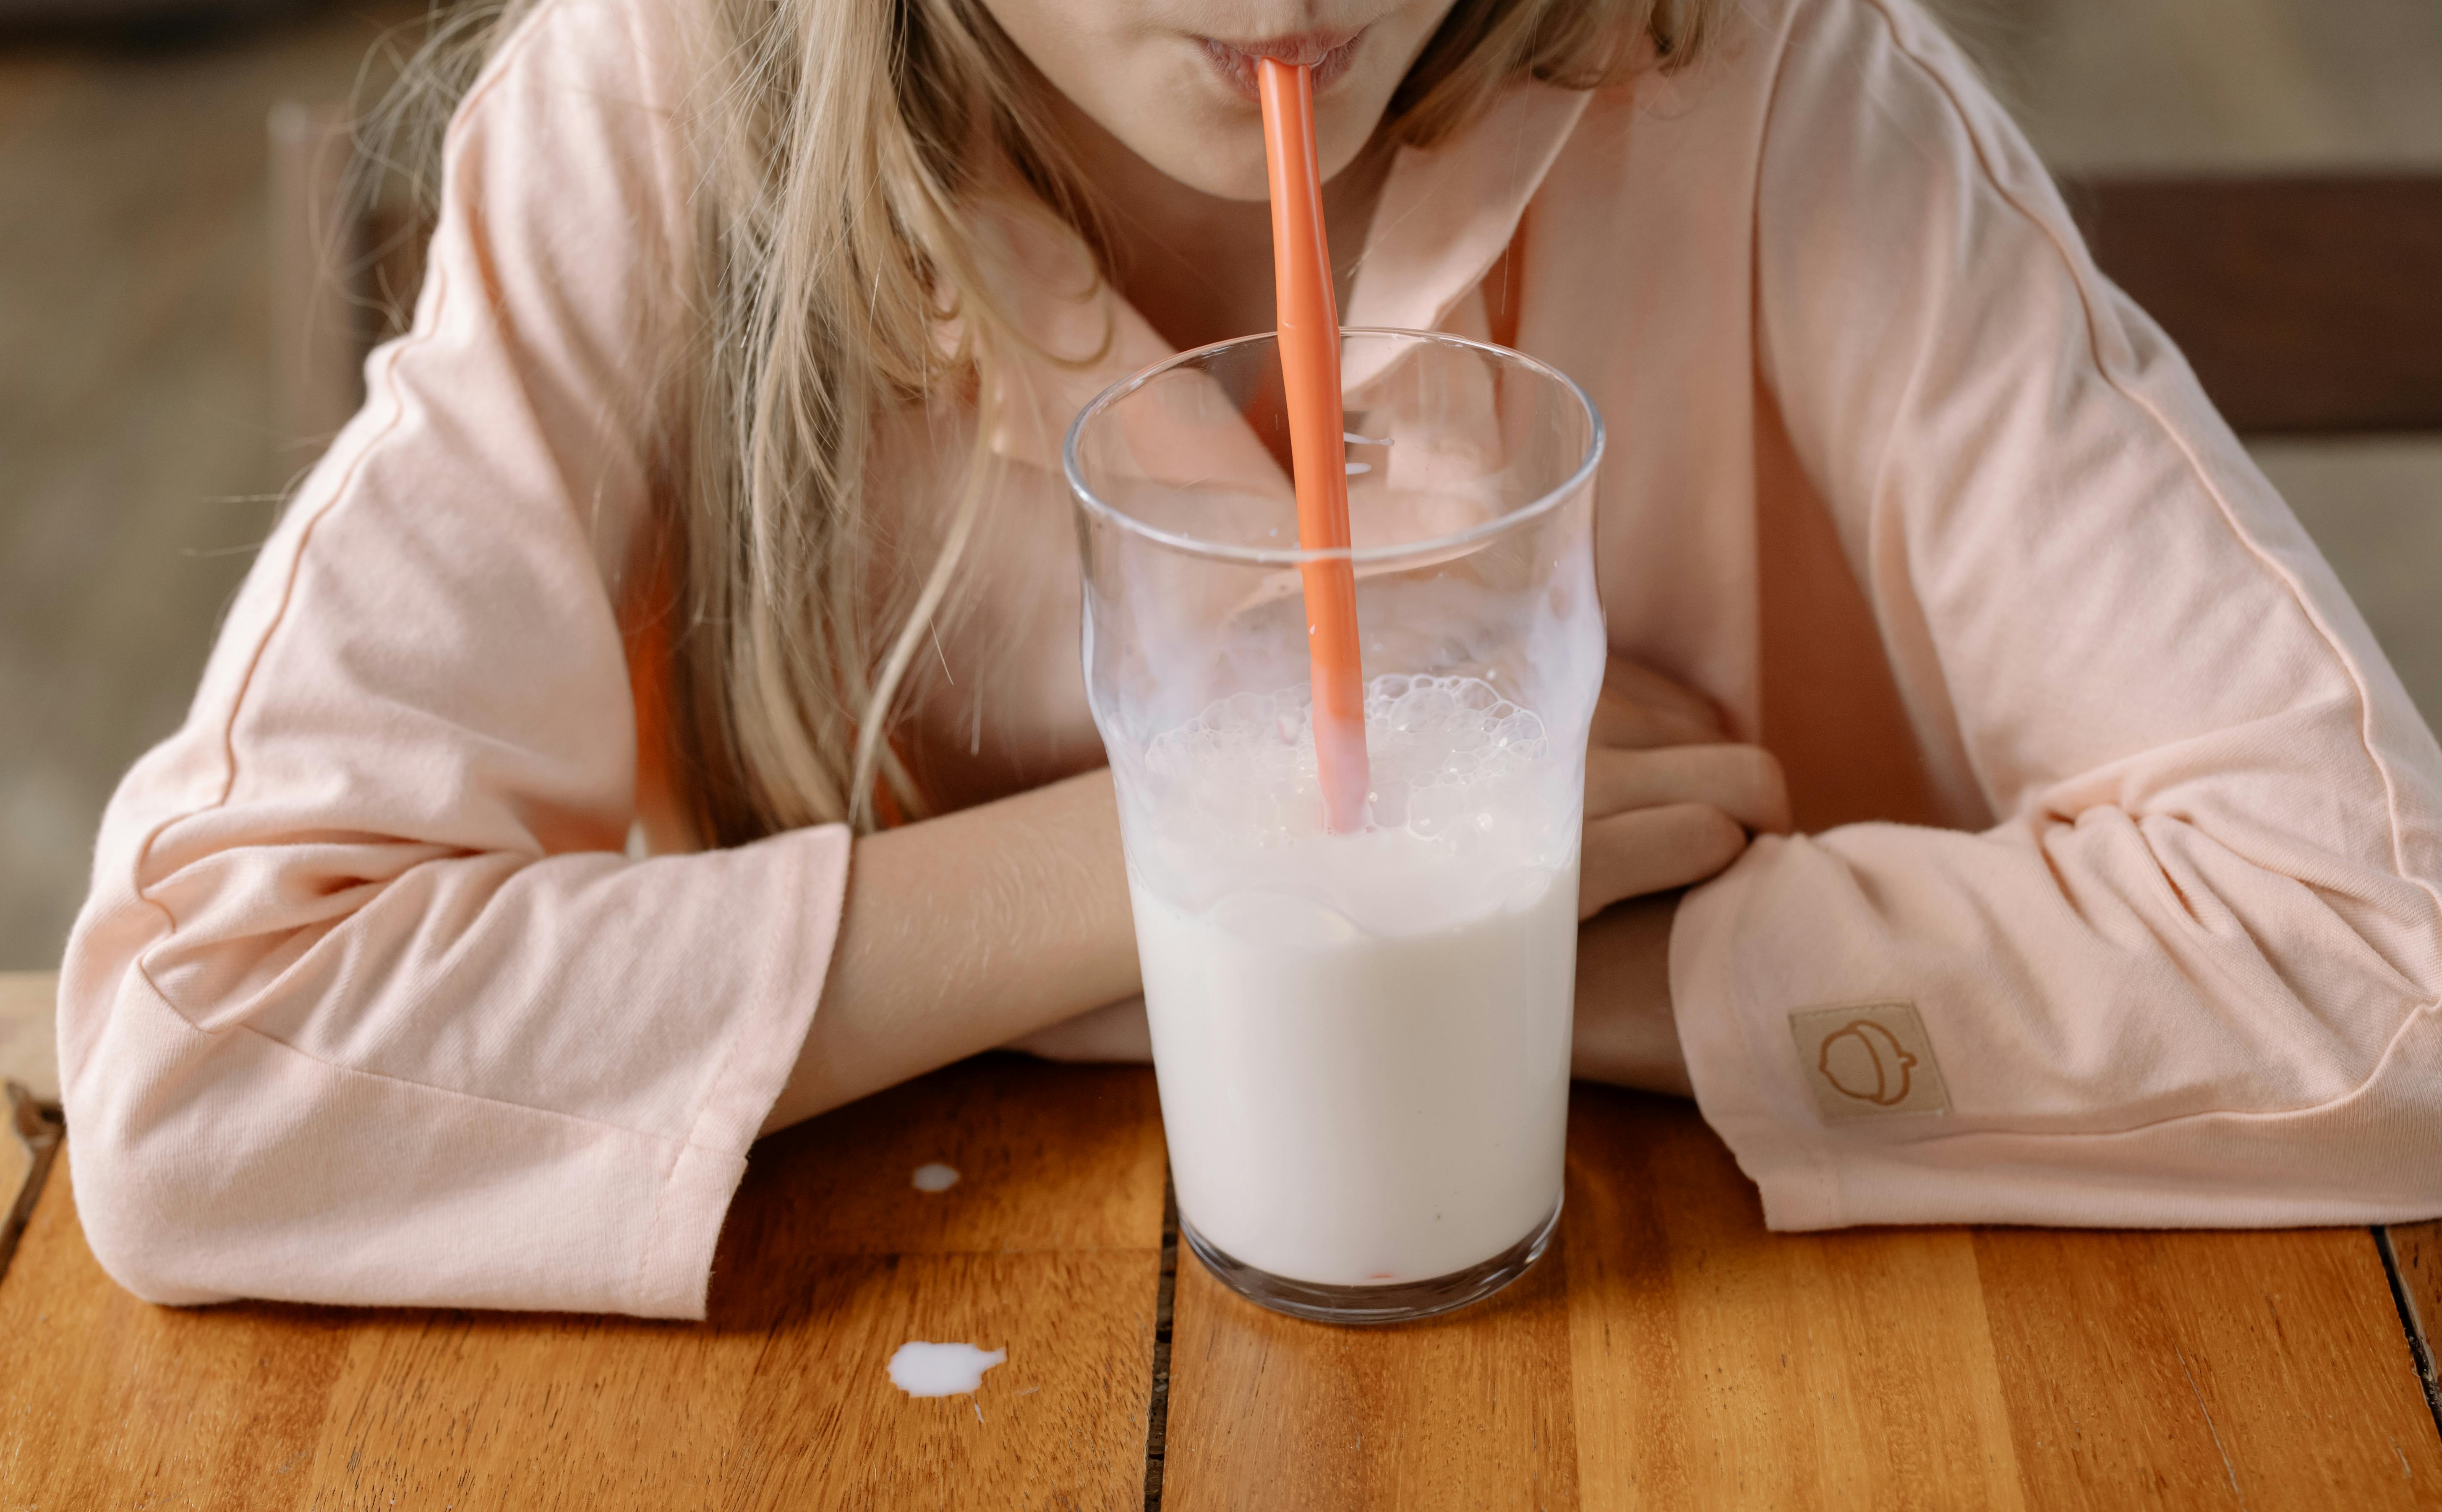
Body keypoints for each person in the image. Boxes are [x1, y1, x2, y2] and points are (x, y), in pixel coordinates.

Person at [57, 0, 2442, 1317]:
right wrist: (1164, 893)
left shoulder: (1772, 85)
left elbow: (2383, 960)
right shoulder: (656, 106)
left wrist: (1500, 969)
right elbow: (201, 1053)